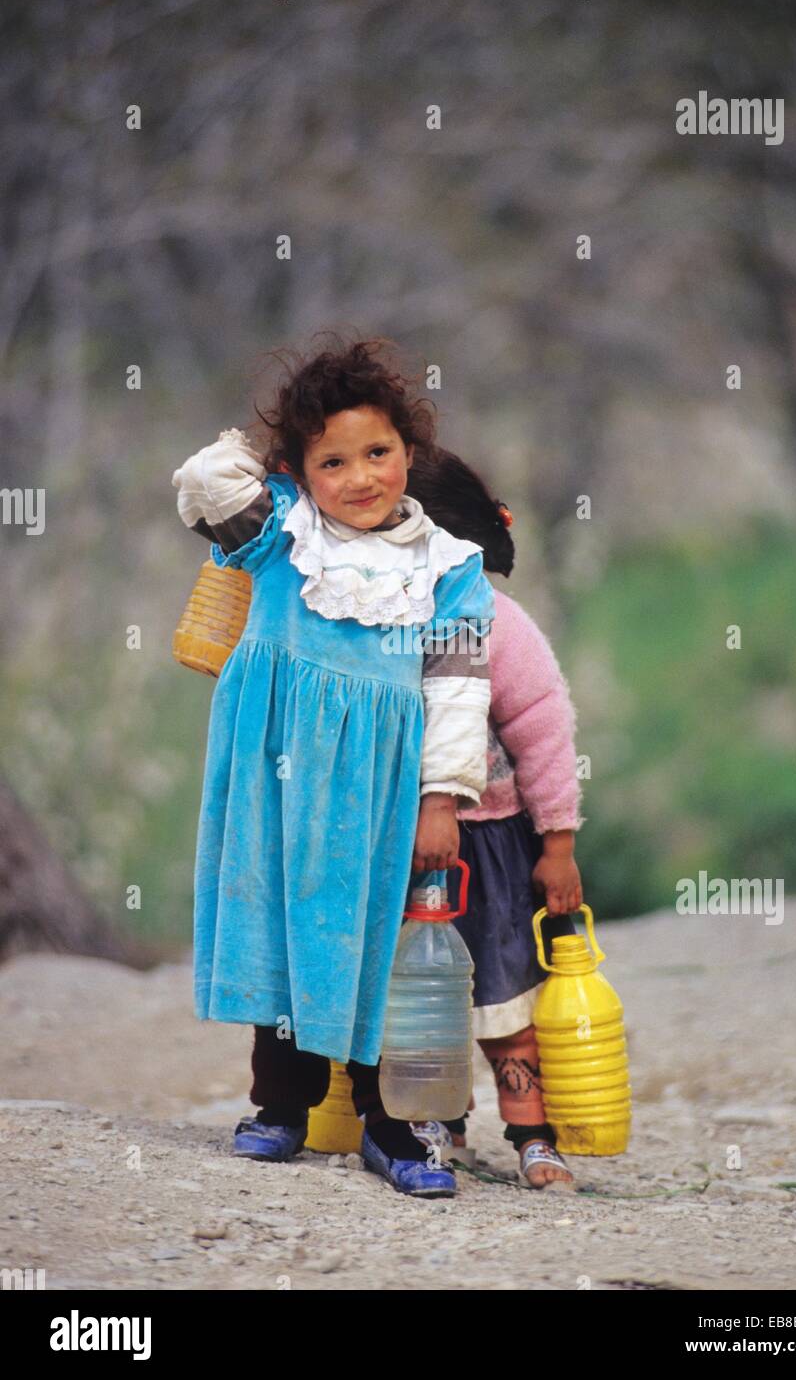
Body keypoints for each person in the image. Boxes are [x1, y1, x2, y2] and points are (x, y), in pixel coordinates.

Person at [171, 335, 494, 1198]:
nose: (361, 477)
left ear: (410, 452)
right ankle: (279, 1107)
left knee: (378, 942)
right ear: (298, 468)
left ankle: (393, 1131)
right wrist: (266, 452)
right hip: (276, 764)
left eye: (378, 452)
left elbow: (460, 691)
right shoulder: (282, 532)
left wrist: (443, 799)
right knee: (281, 919)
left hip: (381, 786)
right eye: (333, 460)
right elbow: (203, 485)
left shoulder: (450, 568)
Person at [405, 448, 585, 1188]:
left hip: (491, 842)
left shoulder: (497, 624)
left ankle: (532, 1133)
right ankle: (431, 1121)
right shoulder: (359, 616)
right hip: (397, 846)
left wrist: (559, 844)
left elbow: (544, 730)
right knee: (417, 994)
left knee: (504, 991)